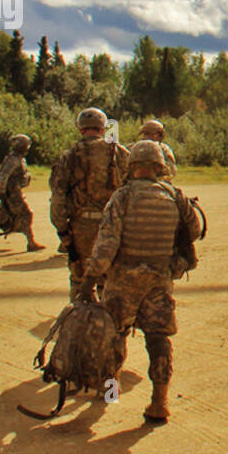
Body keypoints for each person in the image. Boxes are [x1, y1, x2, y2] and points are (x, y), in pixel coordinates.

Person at [80, 140, 201, 424]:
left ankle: (110, 392)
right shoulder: (174, 195)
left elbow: (107, 244)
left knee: (114, 335)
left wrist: (90, 278)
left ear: (132, 165)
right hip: (159, 279)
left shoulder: (122, 197)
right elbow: (193, 231)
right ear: (160, 166)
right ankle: (159, 403)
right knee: (158, 339)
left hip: (123, 281)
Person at [49, 107, 131, 302]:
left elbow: (58, 195)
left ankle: (78, 322)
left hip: (80, 229)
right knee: (109, 278)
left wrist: (62, 230)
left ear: (80, 129)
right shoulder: (120, 153)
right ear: (103, 129)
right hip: (113, 226)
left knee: (79, 279)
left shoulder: (69, 156)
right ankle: (109, 323)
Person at [0, 134, 44, 253]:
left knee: (1, 216)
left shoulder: (17, 158)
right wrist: (2, 192)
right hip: (12, 194)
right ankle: (31, 243)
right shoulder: (13, 160)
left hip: (11, 193)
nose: (27, 148)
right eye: (26, 146)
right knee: (25, 214)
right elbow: (3, 176)